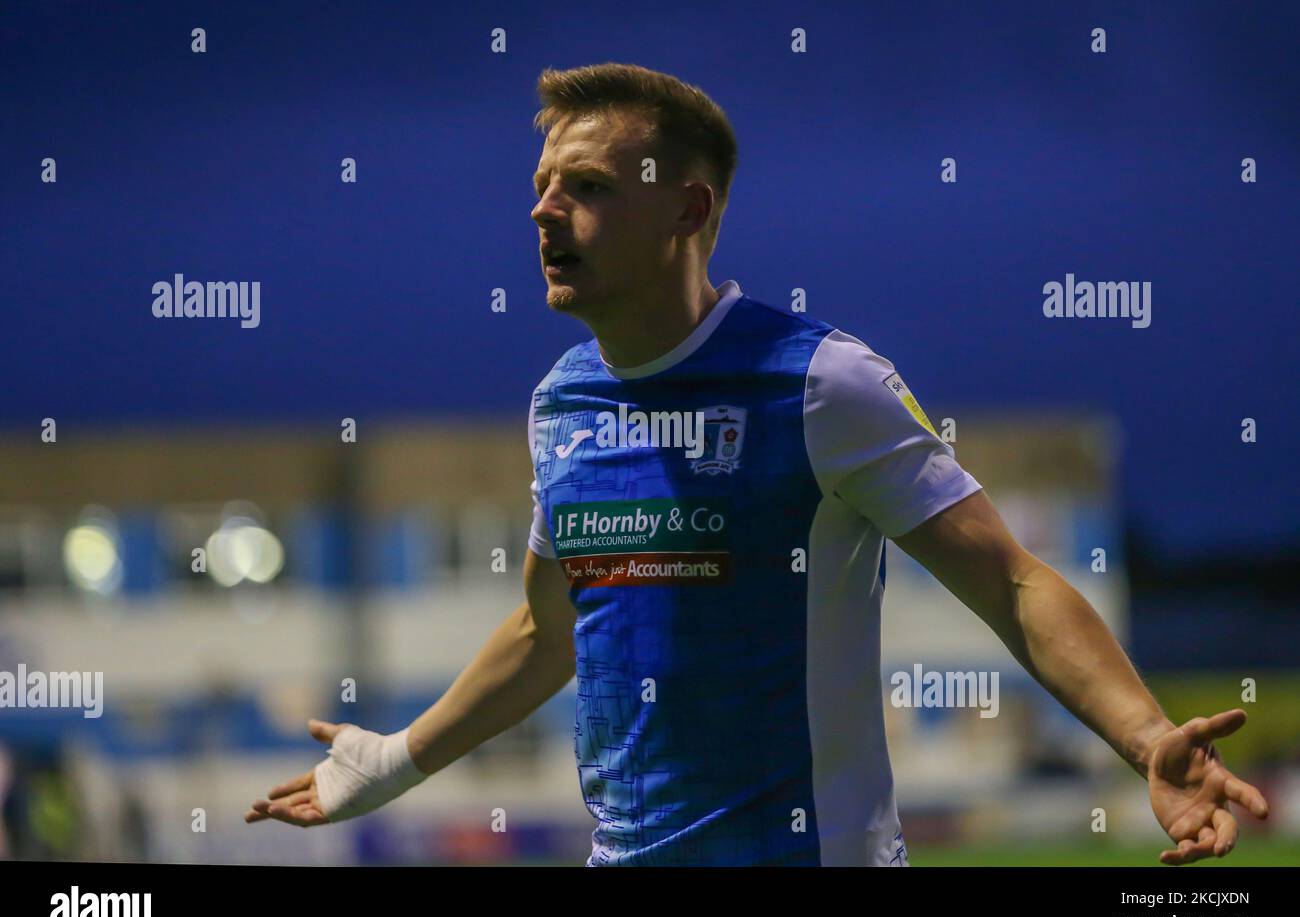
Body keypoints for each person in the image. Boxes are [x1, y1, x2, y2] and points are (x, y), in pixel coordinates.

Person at [246, 62, 1268, 866]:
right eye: (542, 187)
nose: (543, 213)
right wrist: (392, 761)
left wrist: (1144, 738)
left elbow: (1011, 579)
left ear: (688, 212)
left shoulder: (821, 381)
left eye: (587, 188)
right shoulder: (562, 401)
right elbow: (547, 630)